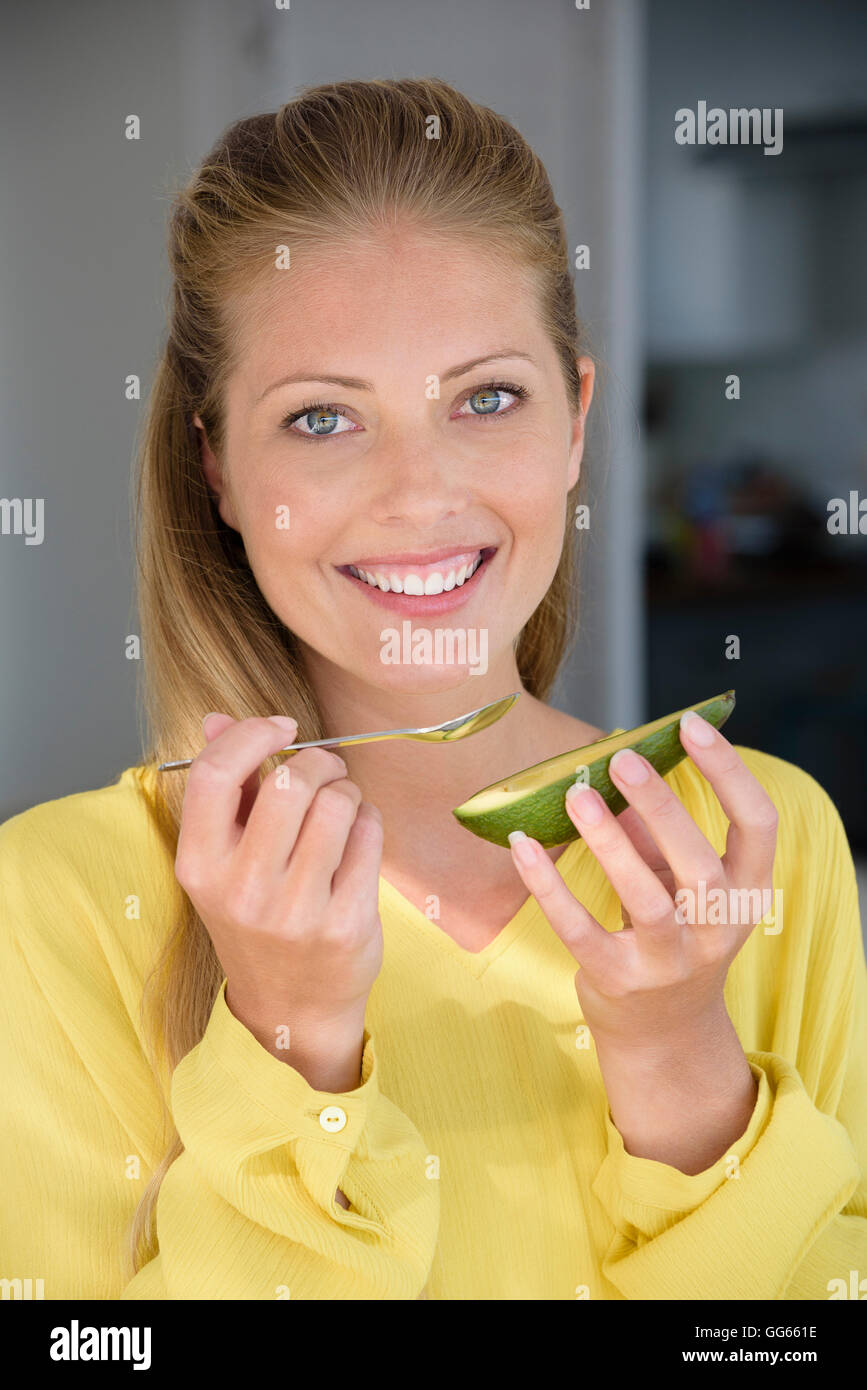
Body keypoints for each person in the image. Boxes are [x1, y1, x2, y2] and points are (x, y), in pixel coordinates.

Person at [1, 77, 865, 1301]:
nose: (419, 494)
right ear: (218, 471)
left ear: (574, 421)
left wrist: (681, 1064)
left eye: (487, 398)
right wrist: (291, 1046)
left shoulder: (761, 846)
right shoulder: (54, 905)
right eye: (320, 419)